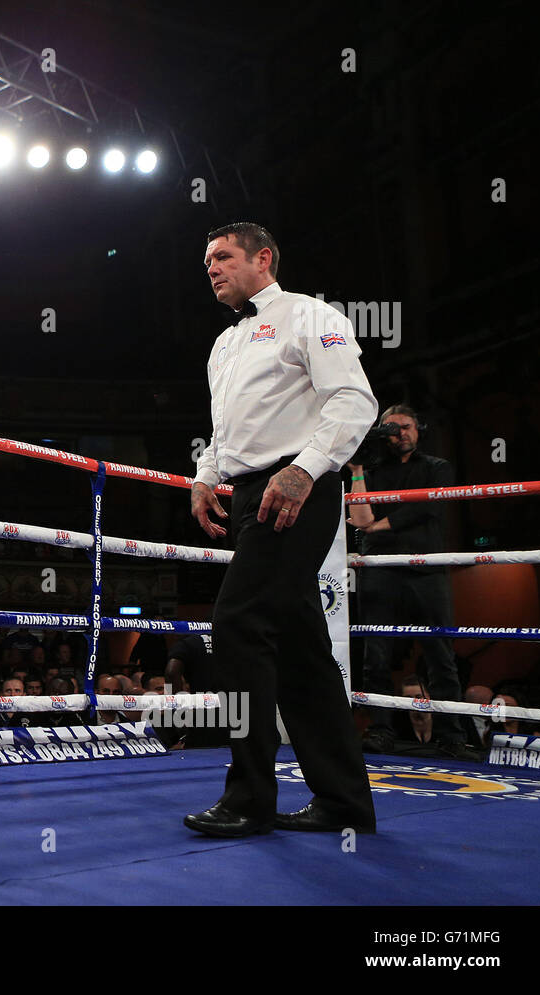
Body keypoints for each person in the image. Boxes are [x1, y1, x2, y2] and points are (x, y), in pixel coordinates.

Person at [186, 222, 378, 837]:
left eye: (223, 257)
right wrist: (204, 476)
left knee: (238, 626)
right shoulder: (224, 345)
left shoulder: (308, 315)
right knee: (302, 655)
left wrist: (306, 470)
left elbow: (353, 400)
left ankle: (249, 799)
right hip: (249, 495)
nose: (211, 268)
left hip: (296, 490)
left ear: (263, 258)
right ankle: (344, 803)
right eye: (207, 260)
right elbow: (225, 432)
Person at [348, 404, 480, 761]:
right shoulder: (371, 471)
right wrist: (358, 468)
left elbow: (427, 509)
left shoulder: (436, 467)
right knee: (375, 655)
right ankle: (380, 731)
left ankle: (451, 736)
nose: (399, 433)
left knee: (441, 655)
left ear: (418, 429)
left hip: (427, 569)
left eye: (405, 427)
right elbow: (360, 519)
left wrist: (381, 525)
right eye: (391, 428)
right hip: (381, 568)